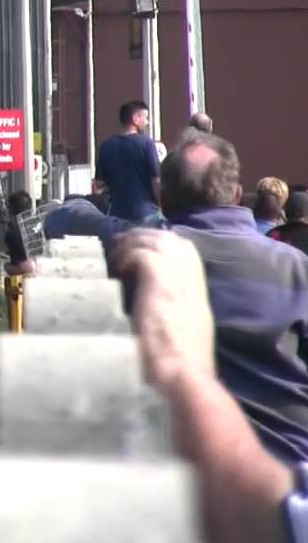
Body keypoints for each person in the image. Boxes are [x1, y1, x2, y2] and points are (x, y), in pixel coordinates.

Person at [47, 132, 308, 465]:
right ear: (238, 195)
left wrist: (82, 205)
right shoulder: (295, 268)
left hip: (178, 473)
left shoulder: (142, 250)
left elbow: (59, 221)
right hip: (285, 470)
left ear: (164, 200)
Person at [111, 229, 303, 543]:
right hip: (284, 457)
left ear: (162, 194)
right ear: (237, 193)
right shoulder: (292, 263)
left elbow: (267, 519)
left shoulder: (156, 252)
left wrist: (177, 367)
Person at [93, 100, 162, 224]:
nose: (147, 122)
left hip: (117, 214)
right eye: (145, 118)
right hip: (146, 213)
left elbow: (99, 184)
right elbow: (155, 180)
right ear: (135, 119)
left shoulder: (106, 146)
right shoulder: (147, 144)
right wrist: (162, 204)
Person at [3, 190, 36, 276]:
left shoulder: (13, 235)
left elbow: (26, 268)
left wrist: (7, 267)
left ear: (9, 211)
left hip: (22, 283)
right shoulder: (34, 230)